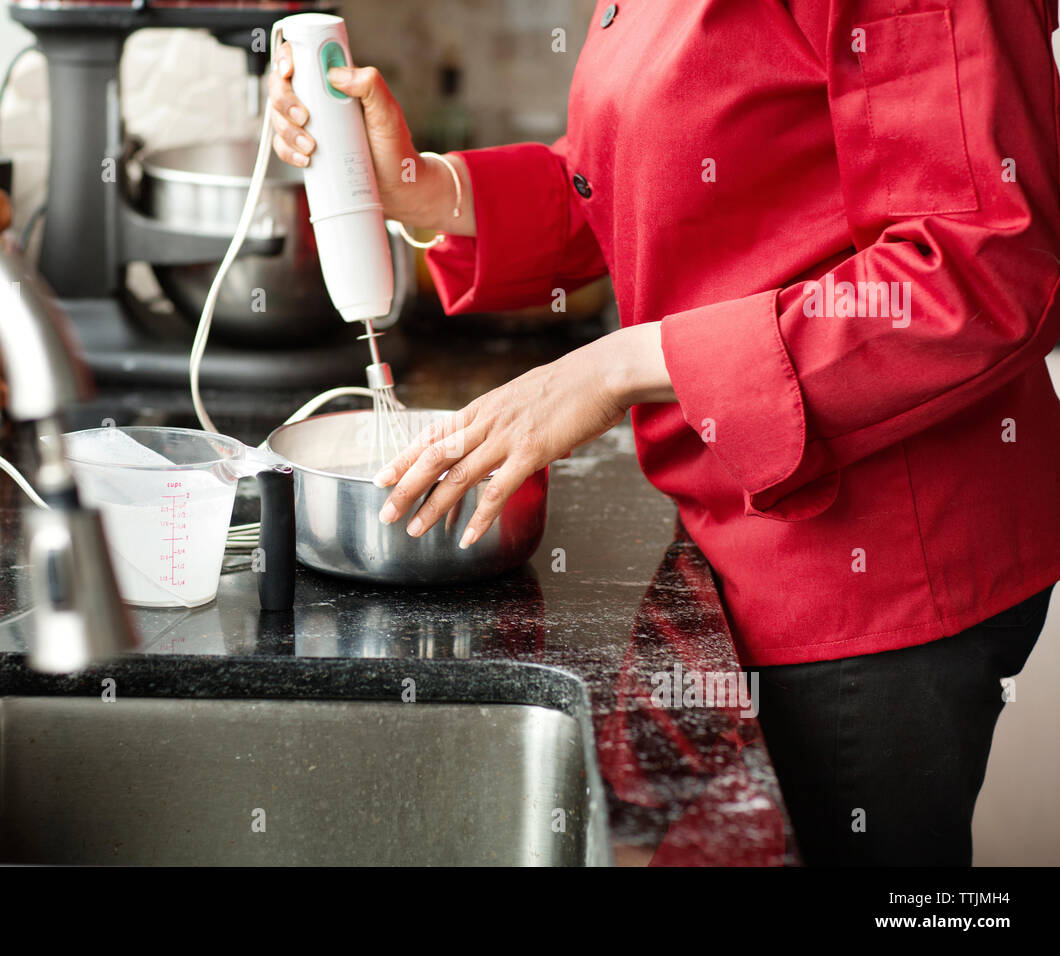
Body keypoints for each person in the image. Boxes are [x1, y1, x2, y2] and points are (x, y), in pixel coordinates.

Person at [268, 1, 1060, 865]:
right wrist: (430, 189)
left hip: (870, 577)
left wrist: (618, 368)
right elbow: (655, 184)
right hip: (738, 535)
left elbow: (983, 263)